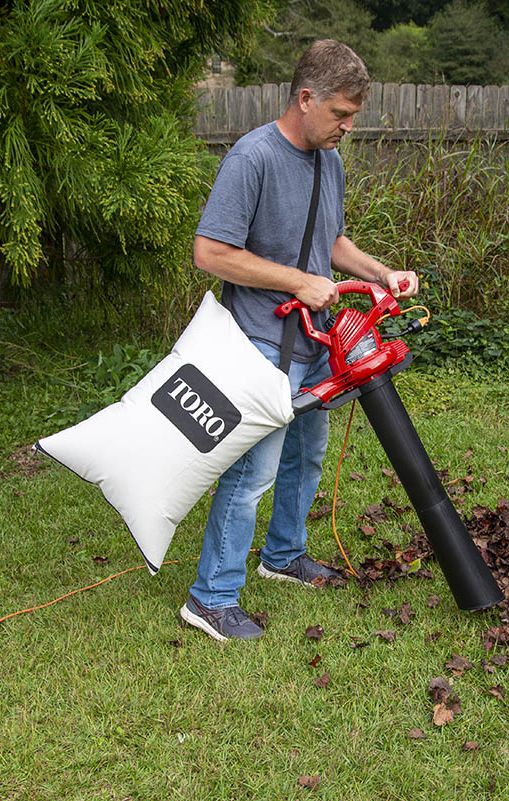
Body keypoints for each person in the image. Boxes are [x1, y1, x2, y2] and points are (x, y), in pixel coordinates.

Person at [181, 39, 419, 641]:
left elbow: (330, 242)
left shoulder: (328, 161)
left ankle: (283, 555)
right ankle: (210, 598)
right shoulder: (252, 158)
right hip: (259, 340)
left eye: (352, 118)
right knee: (252, 470)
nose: (346, 127)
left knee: (307, 453)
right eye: (340, 114)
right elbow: (210, 253)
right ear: (305, 98)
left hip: (317, 343)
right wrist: (297, 281)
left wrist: (379, 272)